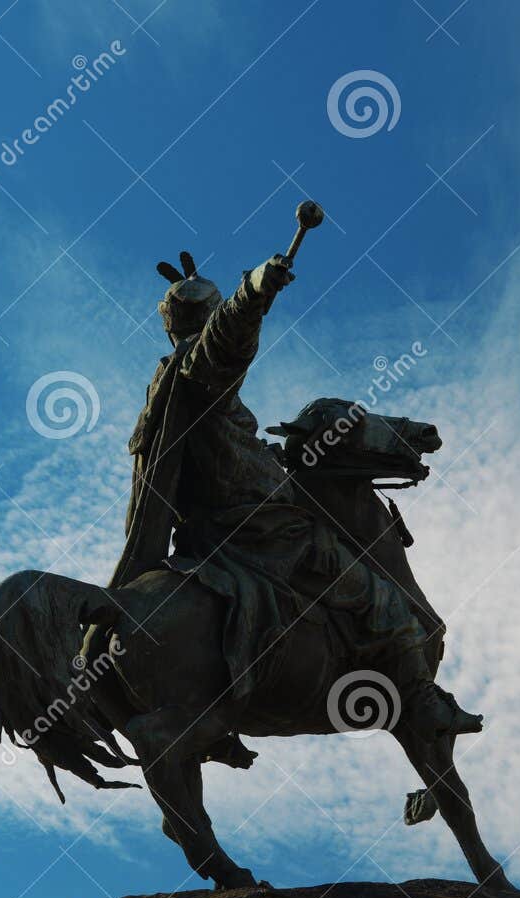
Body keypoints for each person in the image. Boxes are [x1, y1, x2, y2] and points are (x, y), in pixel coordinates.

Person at [110, 250, 480, 738]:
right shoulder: (199, 372)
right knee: (386, 602)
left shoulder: (164, 391)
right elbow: (224, 343)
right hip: (268, 533)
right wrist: (254, 291)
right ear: (205, 321)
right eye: (212, 316)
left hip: (210, 538)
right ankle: (423, 704)